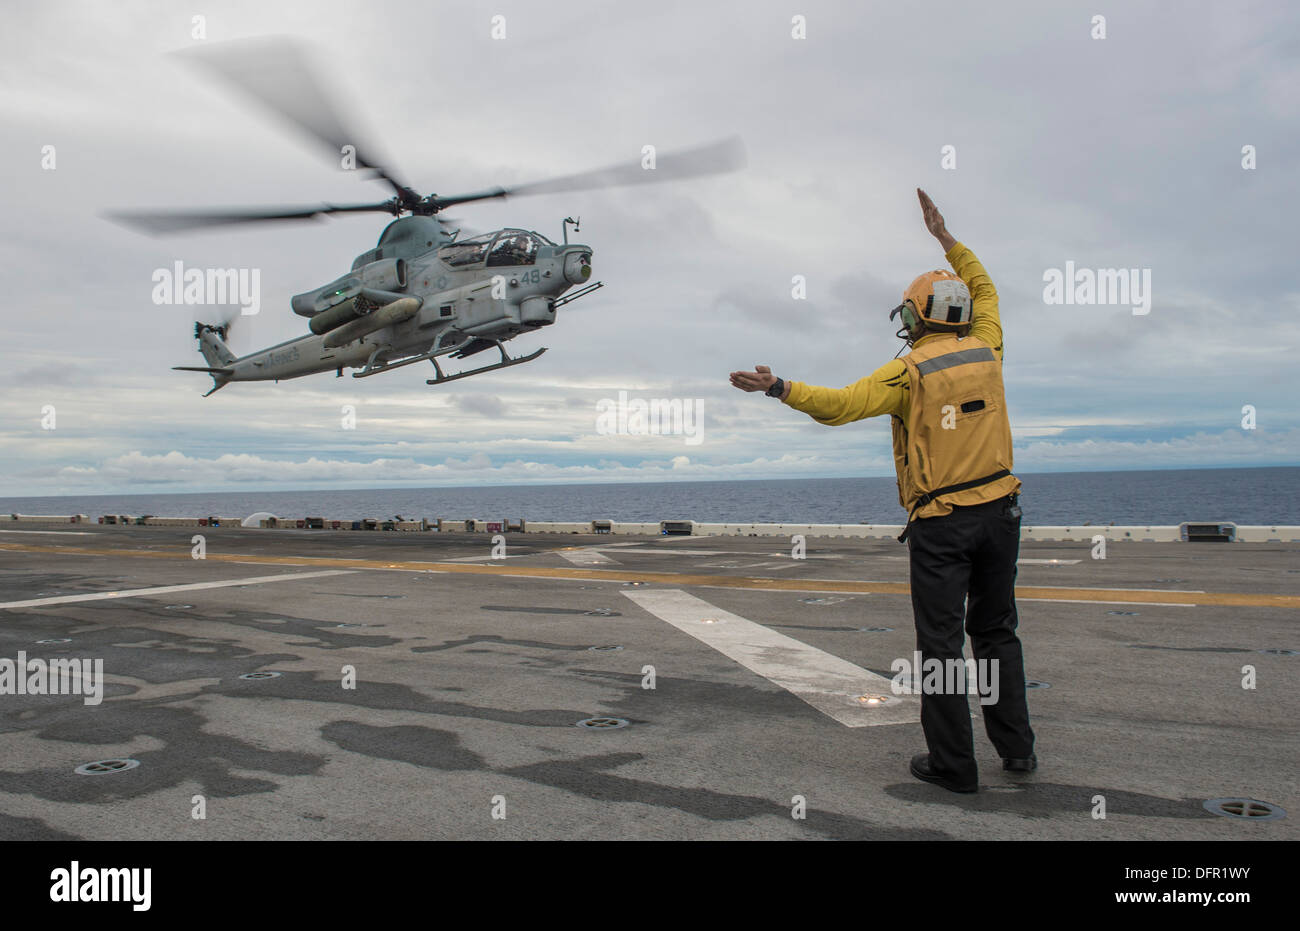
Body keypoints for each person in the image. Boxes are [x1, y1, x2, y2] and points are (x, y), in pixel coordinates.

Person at [728, 189, 1036, 793]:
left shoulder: (908, 372)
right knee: (998, 631)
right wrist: (947, 238)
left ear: (916, 317)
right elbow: (989, 290)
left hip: (943, 523)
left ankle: (954, 766)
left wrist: (779, 386)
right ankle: (1017, 750)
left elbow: (839, 407)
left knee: (942, 647)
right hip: (1002, 512)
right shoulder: (989, 346)